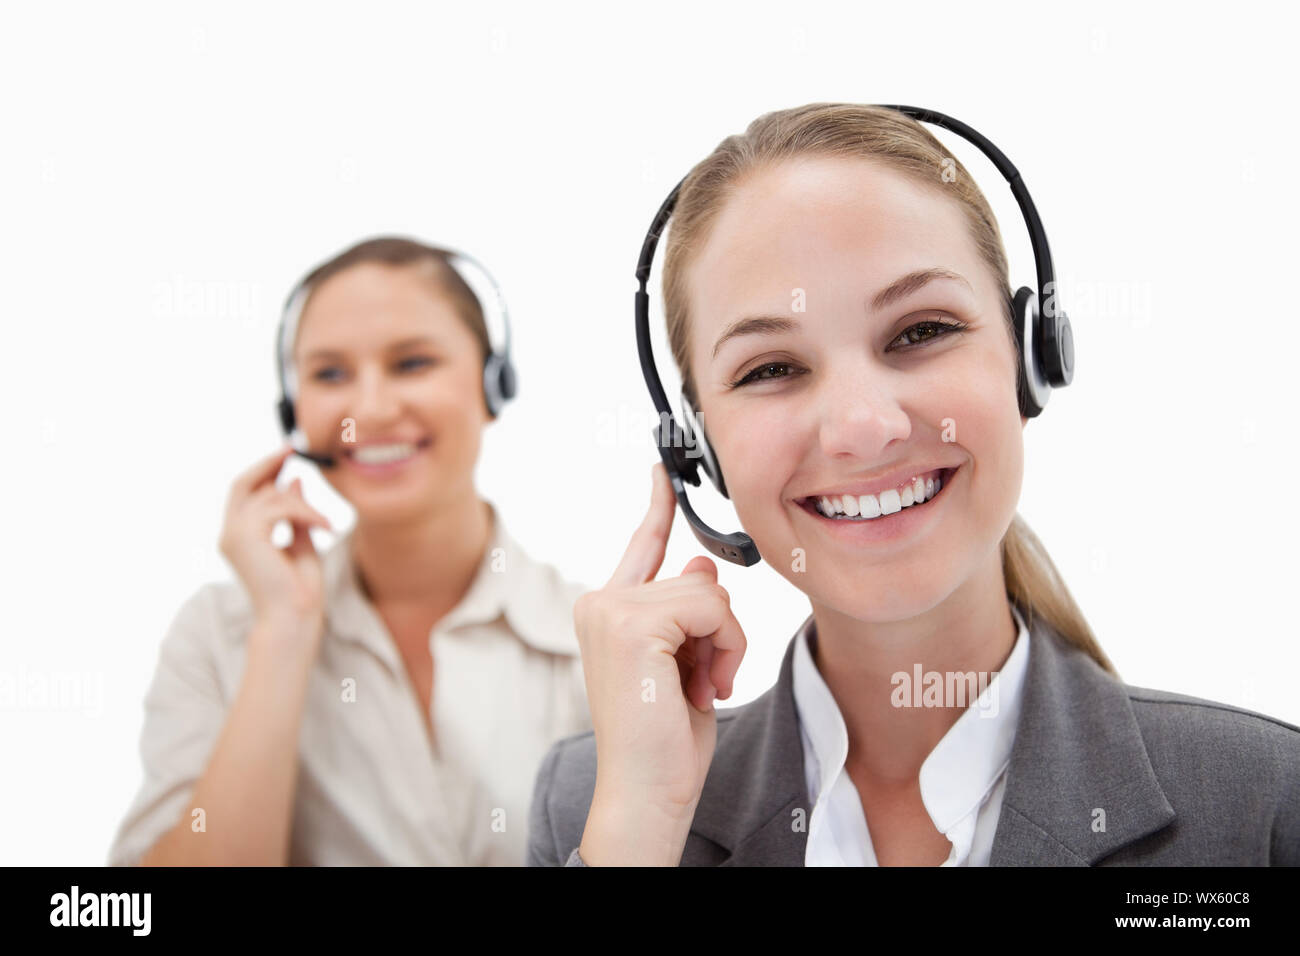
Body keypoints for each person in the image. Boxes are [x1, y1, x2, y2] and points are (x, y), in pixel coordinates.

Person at [527, 104, 1300, 866]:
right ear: (701, 449)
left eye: (921, 331)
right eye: (771, 369)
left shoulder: (1260, 805)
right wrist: (637, 830)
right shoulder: (596, 808)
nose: (863, 426)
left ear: (1032, 360)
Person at [109, 236, 591, 866]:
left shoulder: (594, 640)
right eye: (329, 374)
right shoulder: (220, 637)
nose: (369, 408)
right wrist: (284, 632)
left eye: (412, 363)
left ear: (493, 383)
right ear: (294, 410)